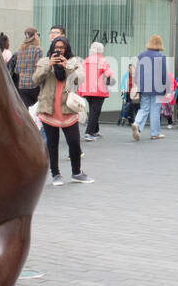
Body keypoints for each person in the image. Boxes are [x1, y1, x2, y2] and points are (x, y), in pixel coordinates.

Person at [34, 36, 91, 184]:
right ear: (52, 48)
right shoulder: (44, 61)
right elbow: (36, 80)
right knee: (52, 143)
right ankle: (56, 174)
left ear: (67, 49)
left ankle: (76, 172)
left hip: (68, 108)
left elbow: (81, 79)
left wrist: (68, 67)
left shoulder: (73, 62)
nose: (59, 50)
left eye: (62, 47)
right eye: (56, 47)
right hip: (49, 108)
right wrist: (49, 66)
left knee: (74, 142)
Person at [132, 35, 169, 141]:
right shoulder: (161, 56)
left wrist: (136, 83)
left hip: (144, 86)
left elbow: (137, 71)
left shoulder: (141, 55)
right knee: (155, 110)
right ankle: (155, 133)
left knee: (144, 108)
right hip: (157, 87)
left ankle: (137, 124)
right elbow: (163, 73)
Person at [79, 42, 113, 141]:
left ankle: (95, 131)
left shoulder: (85, 61)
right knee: (95, 111)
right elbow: (109, 73)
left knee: (93, 110)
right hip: (98, 90)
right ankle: (89, 133)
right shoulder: (102, 61)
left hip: (86, 89)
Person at [11, 28, 42, 108]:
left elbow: (17, 70)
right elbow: (39, 69)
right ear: (35, 35)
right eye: (38, 35)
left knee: (26, 110)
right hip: (34, 85)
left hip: (21, 85)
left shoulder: (20, 50)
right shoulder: (38, 50)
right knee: (36, 111)